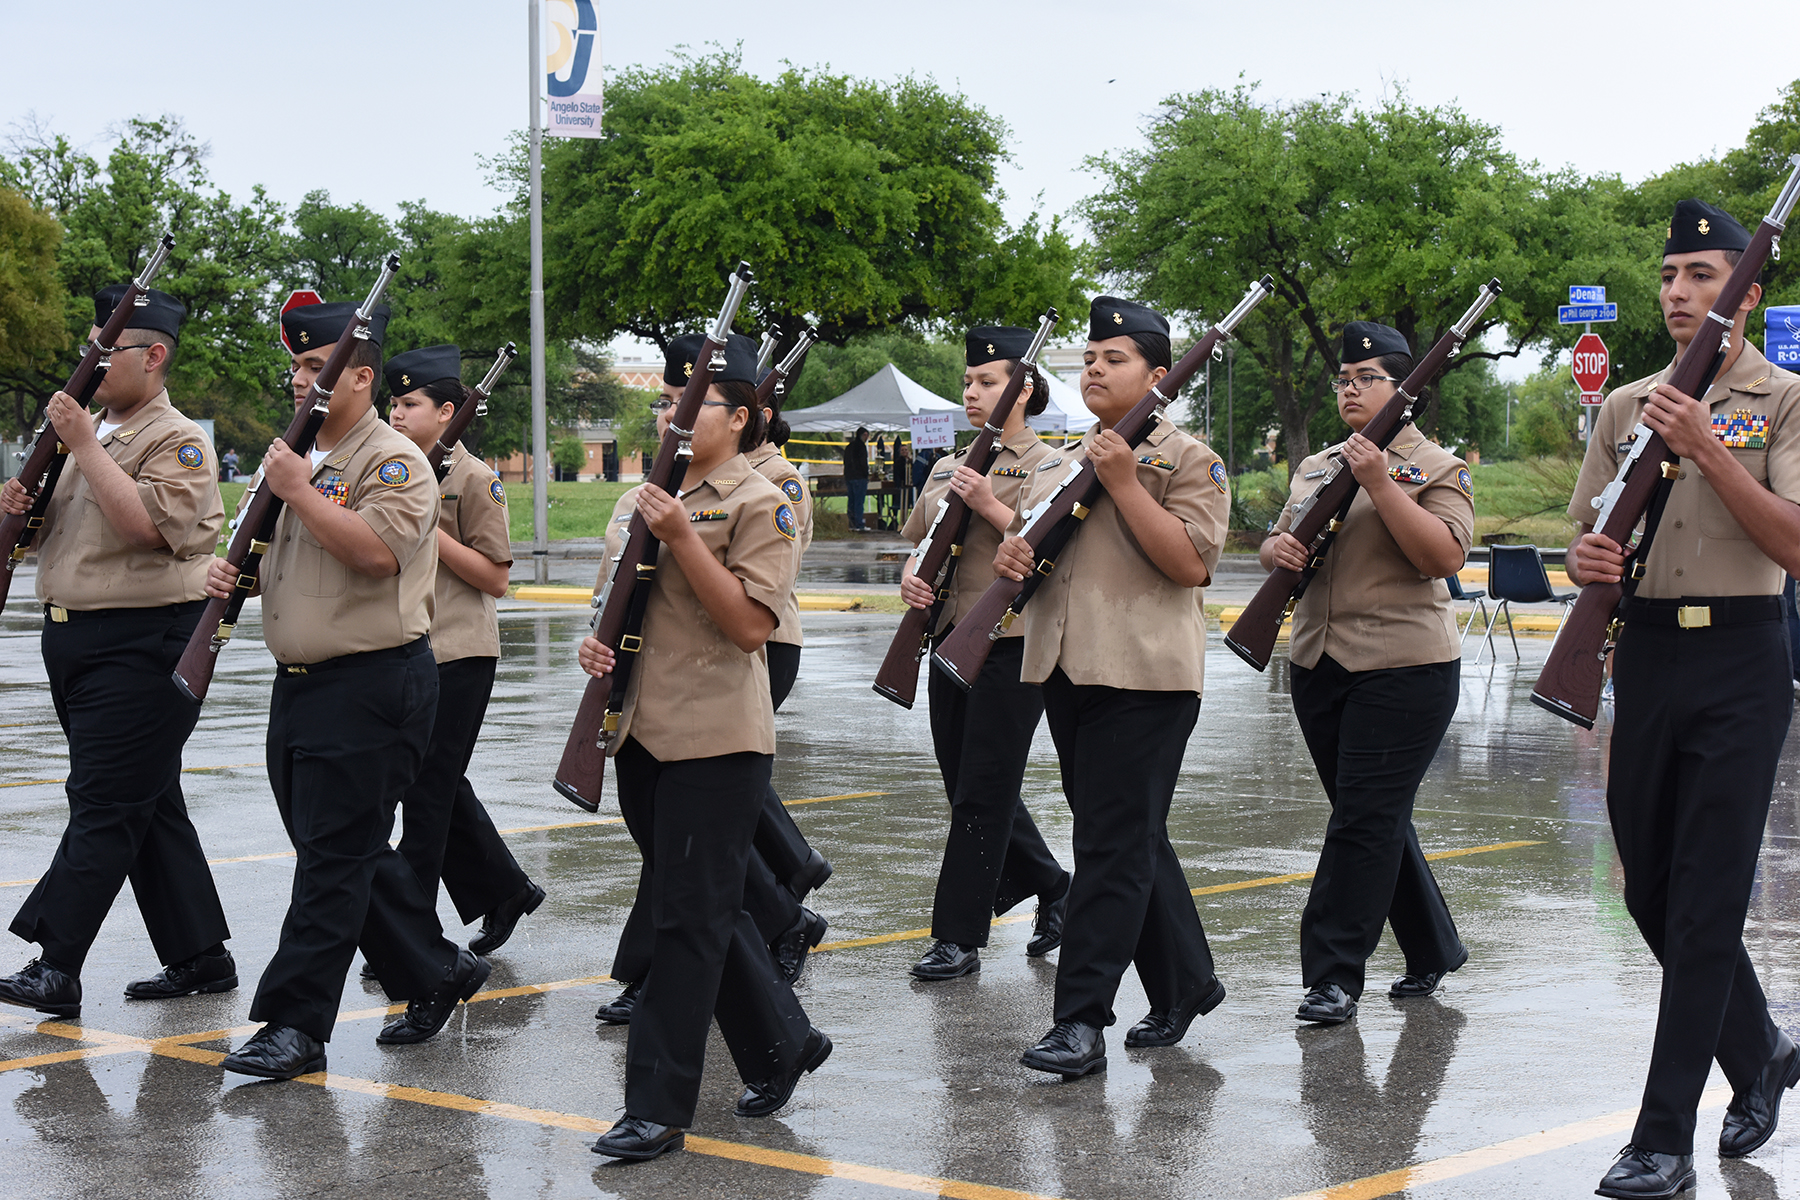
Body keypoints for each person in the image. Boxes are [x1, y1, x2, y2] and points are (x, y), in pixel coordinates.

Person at [1567, 200, 1800, 1198]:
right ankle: (1761, 1052)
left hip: (1742, 665)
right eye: (1669, 277)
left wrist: (1707, 445)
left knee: (1704, 905)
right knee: (1650, 893)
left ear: (1746, 292)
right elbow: (1591, 543)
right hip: (1648, 662)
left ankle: (1662, 1138)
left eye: (1701, 275)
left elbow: (1794, 544)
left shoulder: (1782, 400)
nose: (1675, 293)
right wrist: (1588, 564)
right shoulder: (1624, 405)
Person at [206, 301, 487, 1081]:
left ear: (359, 376)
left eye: (316, 366)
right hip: (299, 685)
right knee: (338, 852)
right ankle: (435, 969)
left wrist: (298, 491)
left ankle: (295, 1025)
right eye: (296, 367)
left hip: (372, 682)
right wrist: (237, 572)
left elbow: (373, 554)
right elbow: (277, 559)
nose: (302, 380)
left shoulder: (392, 460)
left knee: (331, 860)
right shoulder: (297, 459)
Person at [578, 334, 828, 1162]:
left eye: (694, 405)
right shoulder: (643, 495)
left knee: (687, 922)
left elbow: (752, 623)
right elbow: (614, 602)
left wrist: (684, 536)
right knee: (700, 909)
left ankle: (655, 1107)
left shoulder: (762, 499)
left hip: (717, 740)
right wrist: (597, 645)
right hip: (640, 732)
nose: (673, 417)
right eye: (666, 402)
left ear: (744, 417)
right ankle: (781, 1043)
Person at [993, 296, 1230, 1077]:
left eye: (1115, 358)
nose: (1094, 368)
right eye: (1090, 359)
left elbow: (1192, 563)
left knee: (1106, 849)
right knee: (1126, 839)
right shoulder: (1063, 463)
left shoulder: (1189, 460)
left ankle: (1080, 1022)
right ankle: (1187, 980)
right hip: (1066, 669)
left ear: (1160, 377)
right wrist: (1016, 562)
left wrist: (1126, 483)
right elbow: (1042, 560)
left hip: (1146, 678)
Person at [0, 286, 235, 1018]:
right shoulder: (94, 436)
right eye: (89, 350)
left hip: (147, 642)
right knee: (146, 800)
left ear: (154, 356)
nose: (92, 363)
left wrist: (82, 445)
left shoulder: (177, 439)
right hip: (75, 639)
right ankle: (199, 954)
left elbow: (144, 527)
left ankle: (56, 963)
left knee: (103, 803)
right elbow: (59, 534)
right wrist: (19, 510)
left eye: (108, 350)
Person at [1260, 321, 1472, 1027]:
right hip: (1320, 662)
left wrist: (1380, 482)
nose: (1350, 389)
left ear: (1403, 391)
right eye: (1343, 379)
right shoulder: (1319, 464)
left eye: (1366, 378)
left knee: (1362, 821)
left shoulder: (1435, 465)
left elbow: (1442, 557)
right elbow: (1280, 537)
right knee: (1372, 819)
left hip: (1405, 669)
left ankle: (1332, 975)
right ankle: (1431, 945)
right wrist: (1274, 553)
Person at [898, 325, 1070, 982]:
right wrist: (911, 576)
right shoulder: (948, 465)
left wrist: (991, 504)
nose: (973, 392)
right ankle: (1055, 886)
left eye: (988, 381)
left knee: (982, 791)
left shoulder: (1054, 465)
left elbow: (1052, 548)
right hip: (949, 639)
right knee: (966, 787)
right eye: (969, 381)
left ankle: (958, 938)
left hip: (1014, 645)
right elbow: (919, 542)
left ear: (1024, 389)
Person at [383, 345, 545, 957]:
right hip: (405, 645)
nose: (396, 415)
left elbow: (496, 576)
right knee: (432, 785)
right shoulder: (390, 469)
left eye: (410, 405)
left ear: (447, 410)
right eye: (392, 404)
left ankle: (414, 938)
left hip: (459, 651)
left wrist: (431, 528)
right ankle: (505, 888)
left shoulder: (474, 478)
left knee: (426, 795)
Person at [843, 427, 869, 532]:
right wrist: (866, 475)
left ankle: (852, 523)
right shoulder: (861, 447)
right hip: (859, 477)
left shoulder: (849, 446)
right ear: (863, 435)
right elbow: (863, 463)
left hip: (849, 477)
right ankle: (859, 524)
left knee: (851, 501)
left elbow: (845, 461)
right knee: (859, 501)